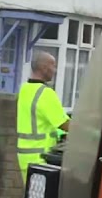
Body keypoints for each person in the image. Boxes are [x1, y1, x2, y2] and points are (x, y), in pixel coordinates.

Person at [16, 51, 71, 183]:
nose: (55, 70)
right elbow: (64, 124)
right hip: (41, 158)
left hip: (24, 156)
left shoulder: (24, 89)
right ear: (44, 68)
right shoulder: (45, 93)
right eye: (53, 66)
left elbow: (39, 122)